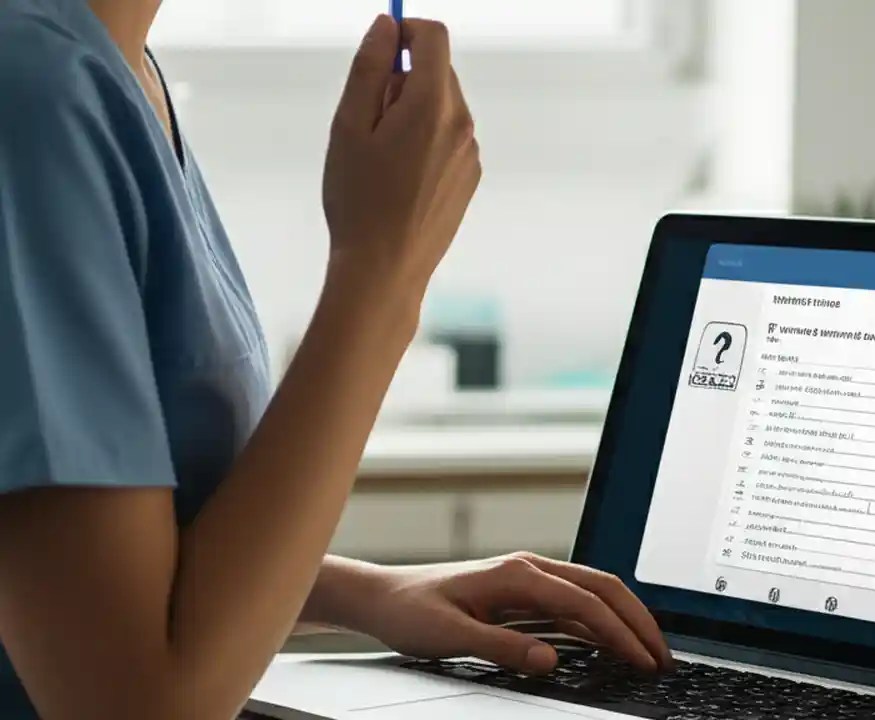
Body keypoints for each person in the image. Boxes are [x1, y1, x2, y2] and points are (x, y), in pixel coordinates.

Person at [0, 1, 671, 717]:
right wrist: (381, 273)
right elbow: (136, 705)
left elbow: (80, 586)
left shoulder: (113, 67)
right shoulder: (33, 93)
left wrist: (363, 592)